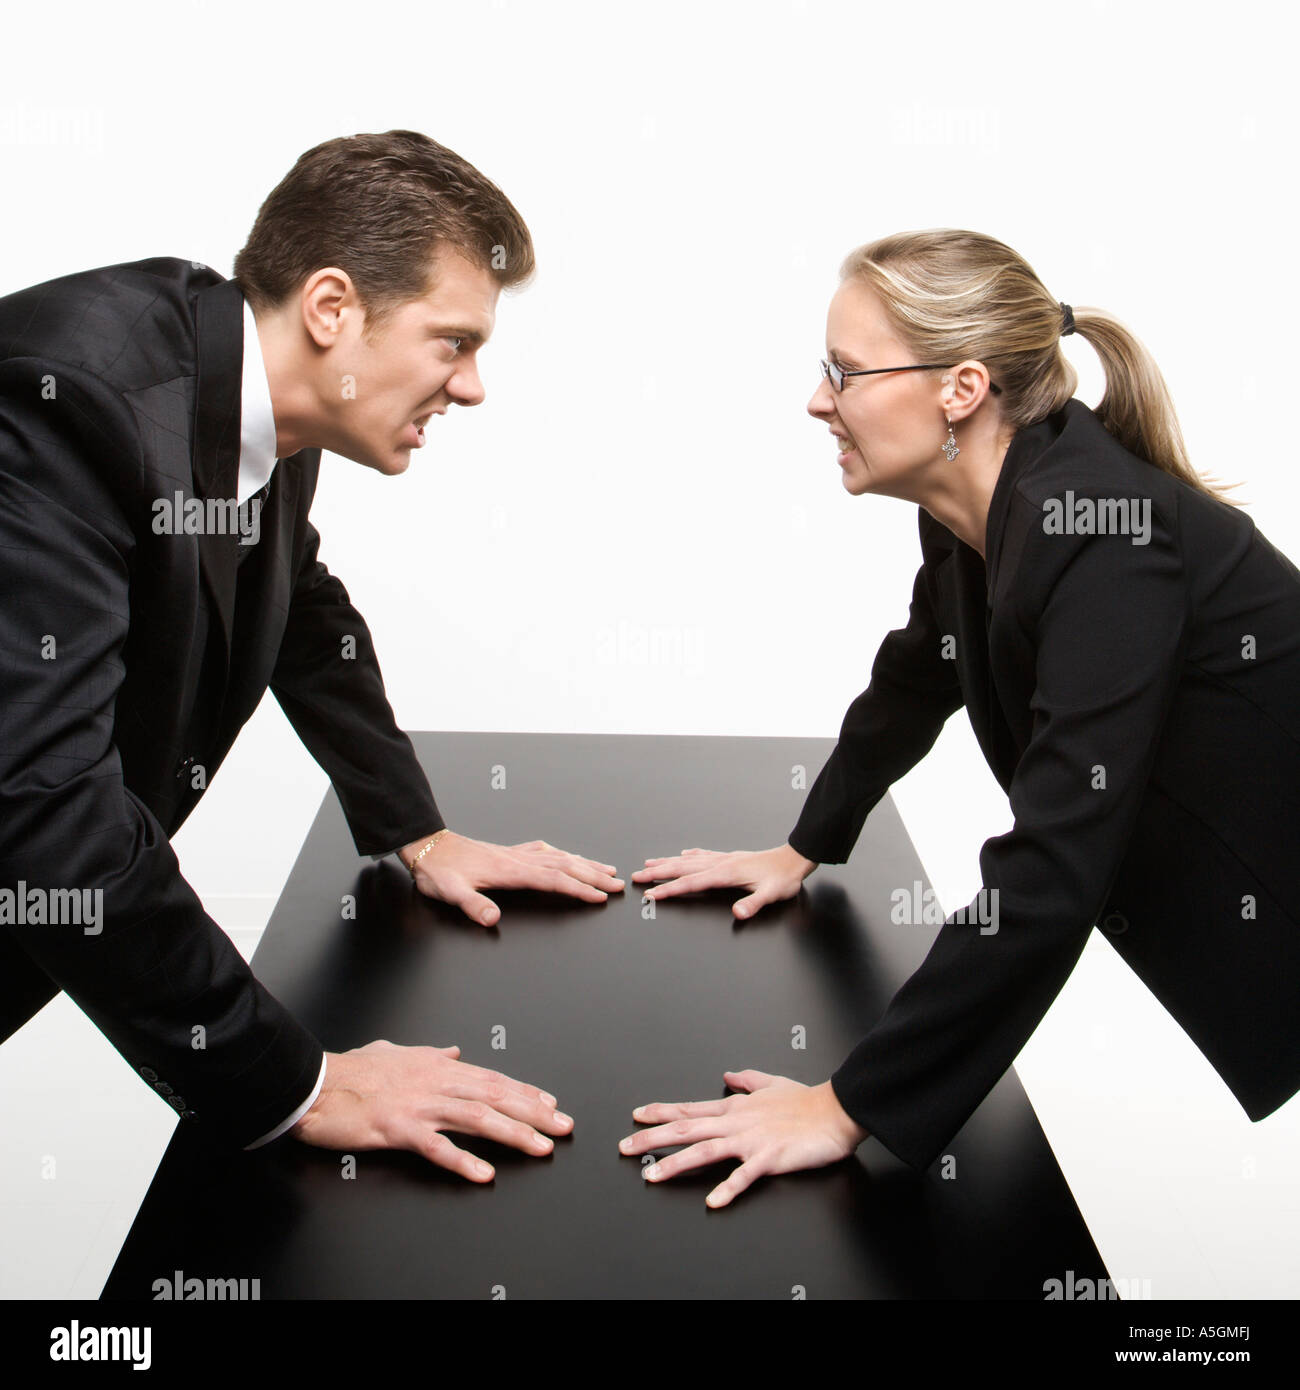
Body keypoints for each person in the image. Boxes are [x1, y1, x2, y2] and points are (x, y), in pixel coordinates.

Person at [621, 228, 1300, 1207]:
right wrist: (803, 845)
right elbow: (915, 675)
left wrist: (846, 1105)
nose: (819, 399)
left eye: (844, 372)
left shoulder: (1102, 533)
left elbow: (1054, 864)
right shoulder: (977, 514)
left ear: (960, 389)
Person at [0, 130, 625, 1181]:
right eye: (453, 341)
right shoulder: (72, 407)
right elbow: (44, 802)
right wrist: (297, 1081)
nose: (471, 387)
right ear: (334, 309)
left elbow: (298, 609)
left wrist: (414, 830)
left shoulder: (247, 391)